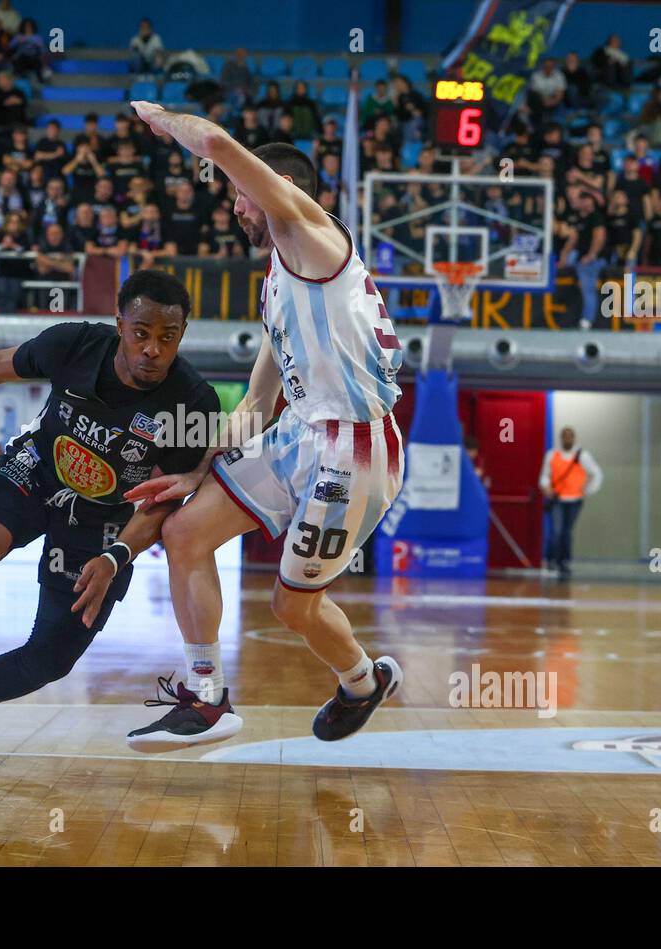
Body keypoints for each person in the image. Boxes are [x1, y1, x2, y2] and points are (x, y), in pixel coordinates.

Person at [118, 101, 406, 750]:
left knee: (291, 608)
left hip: (356, 450)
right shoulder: (279, 278)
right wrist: (193, 473)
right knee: (185, 528)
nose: (236, 211)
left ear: (271, 192)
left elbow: (216, 141)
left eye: (241, 199)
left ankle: (362, 680)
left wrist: (162, 117)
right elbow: (255, 403)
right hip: (301, 432)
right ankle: (206, 695)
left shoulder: (314, 233)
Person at [0, 270, 221, 759]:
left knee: (49, 661)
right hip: (38, 470)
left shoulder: (193, 402)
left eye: (167, 337)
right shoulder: (76, 343)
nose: (152, 349)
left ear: (181, 335)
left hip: (104, 522)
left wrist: (118, 555)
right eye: (141, 333)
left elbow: (164, 498)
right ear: (119, 323)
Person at [538, 427, 603, 579]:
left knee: (567, 532)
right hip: (558, 499)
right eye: (564, 437)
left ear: (574, 438)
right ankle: (551, 560)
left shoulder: (582, 456)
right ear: (560, 438)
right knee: (556, 531)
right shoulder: (552, 455)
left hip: (574, 500)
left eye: (570, 437)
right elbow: (545, 475)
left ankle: (564, 562)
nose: (567, 439)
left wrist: (588, 490)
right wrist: (546, 487)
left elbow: (596, 473)